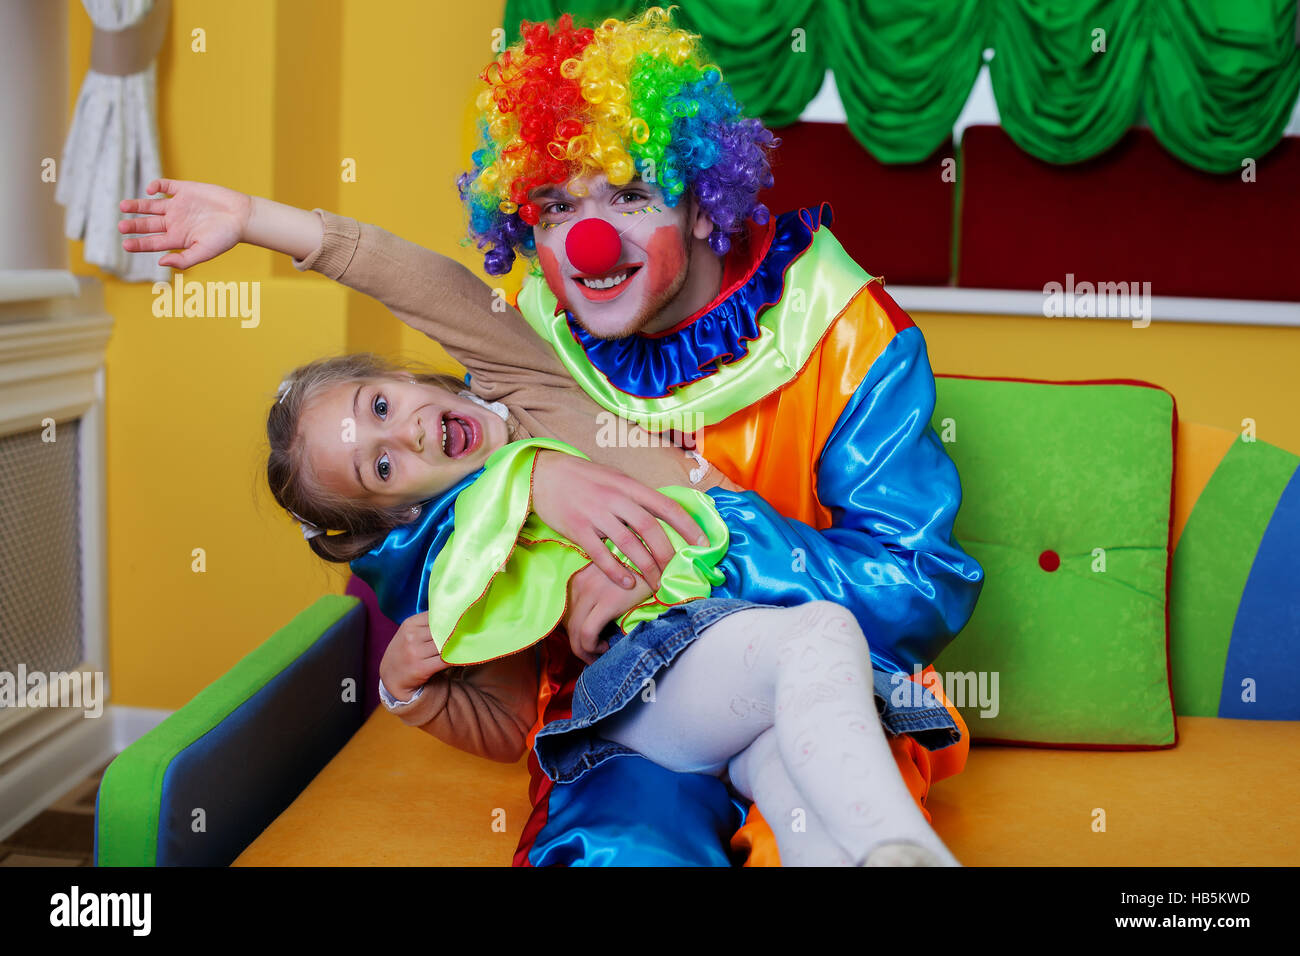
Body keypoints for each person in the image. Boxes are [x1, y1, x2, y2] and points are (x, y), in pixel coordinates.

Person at [119, 178, 964, 866]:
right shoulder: (462, 540)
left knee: (794, 778)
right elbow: (511, 718)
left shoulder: (523, 384)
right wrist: (410, 694)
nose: (404, 433)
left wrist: (261, 221)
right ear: (402, 508)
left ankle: (896, 855)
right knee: (814, 636)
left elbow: (426, 286)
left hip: (727, 678)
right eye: (380, 465)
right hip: (639, 689)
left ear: (421, 379)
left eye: (383, 403)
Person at [453, 7, 985, 866]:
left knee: (822, 833)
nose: (590, 241)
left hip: (824, 701)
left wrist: (700, 536)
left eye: (630, 193)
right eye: (555, 209)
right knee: (617, 850)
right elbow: (464, 564)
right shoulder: (527, 351)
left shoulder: (843, 332)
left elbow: (917, 587)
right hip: (626, 715)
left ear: (704, 206)